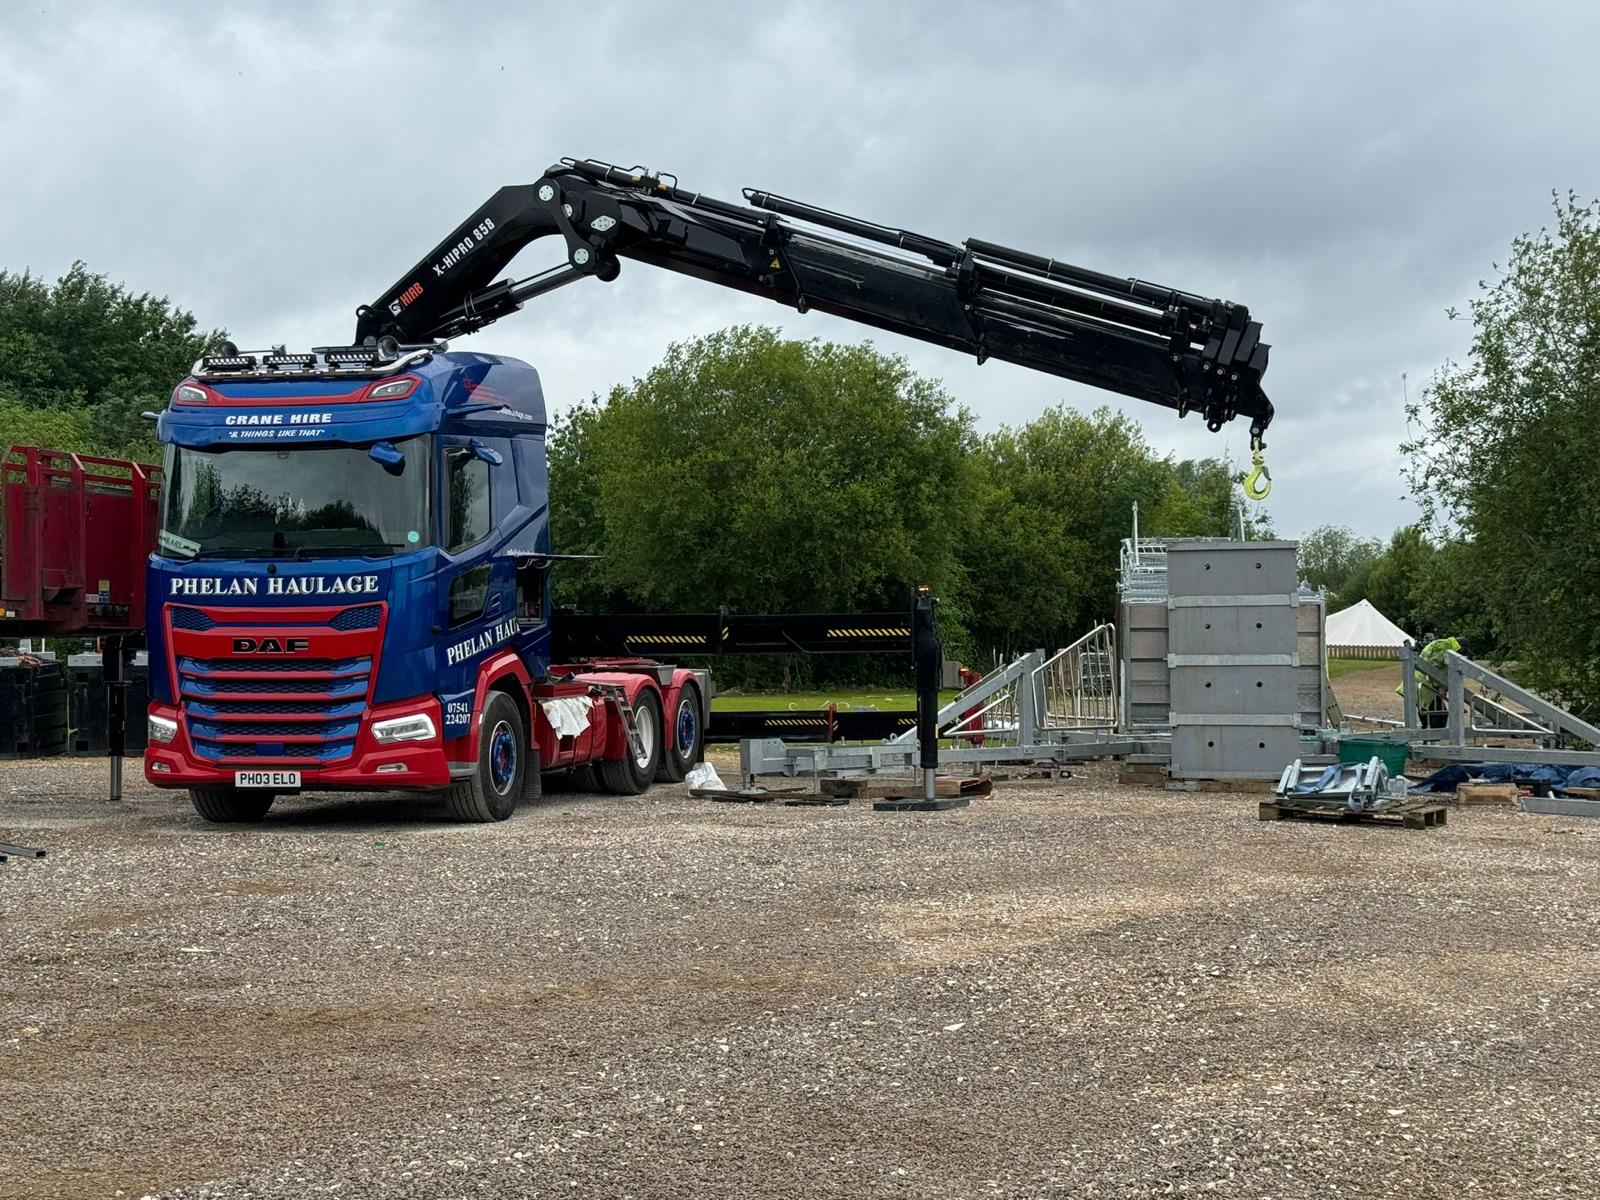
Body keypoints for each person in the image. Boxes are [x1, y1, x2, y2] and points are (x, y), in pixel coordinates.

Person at [1398, 632, 1462, 728]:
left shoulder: (1440, 643)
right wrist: (1441, 684)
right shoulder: (1445, 646)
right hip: (1425, 684)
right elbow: (1434, 667)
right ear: (1461, 647)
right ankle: (1433, 738)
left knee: (1426, 710)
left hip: (1418, 682)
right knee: (1439, 714)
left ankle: (1427, 734)